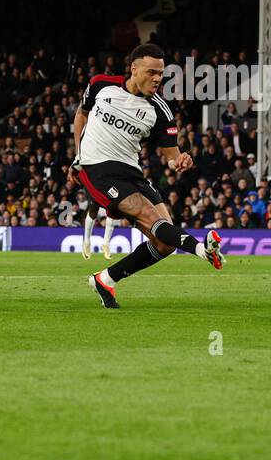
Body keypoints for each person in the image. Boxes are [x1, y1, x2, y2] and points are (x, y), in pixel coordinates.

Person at [70, 43, 224, 309]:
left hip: (132, 172)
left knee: (165, 243)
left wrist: (180, 160)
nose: (157, 78)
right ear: (134, 69)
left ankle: (105, 279)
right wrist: (77, 156)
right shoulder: (100, 84)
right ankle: (202, 249)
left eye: (161, 74)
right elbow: (81, 115)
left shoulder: (160, 111)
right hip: (99, 170)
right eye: (151, 72)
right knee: (149, 216)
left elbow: (172, 155)